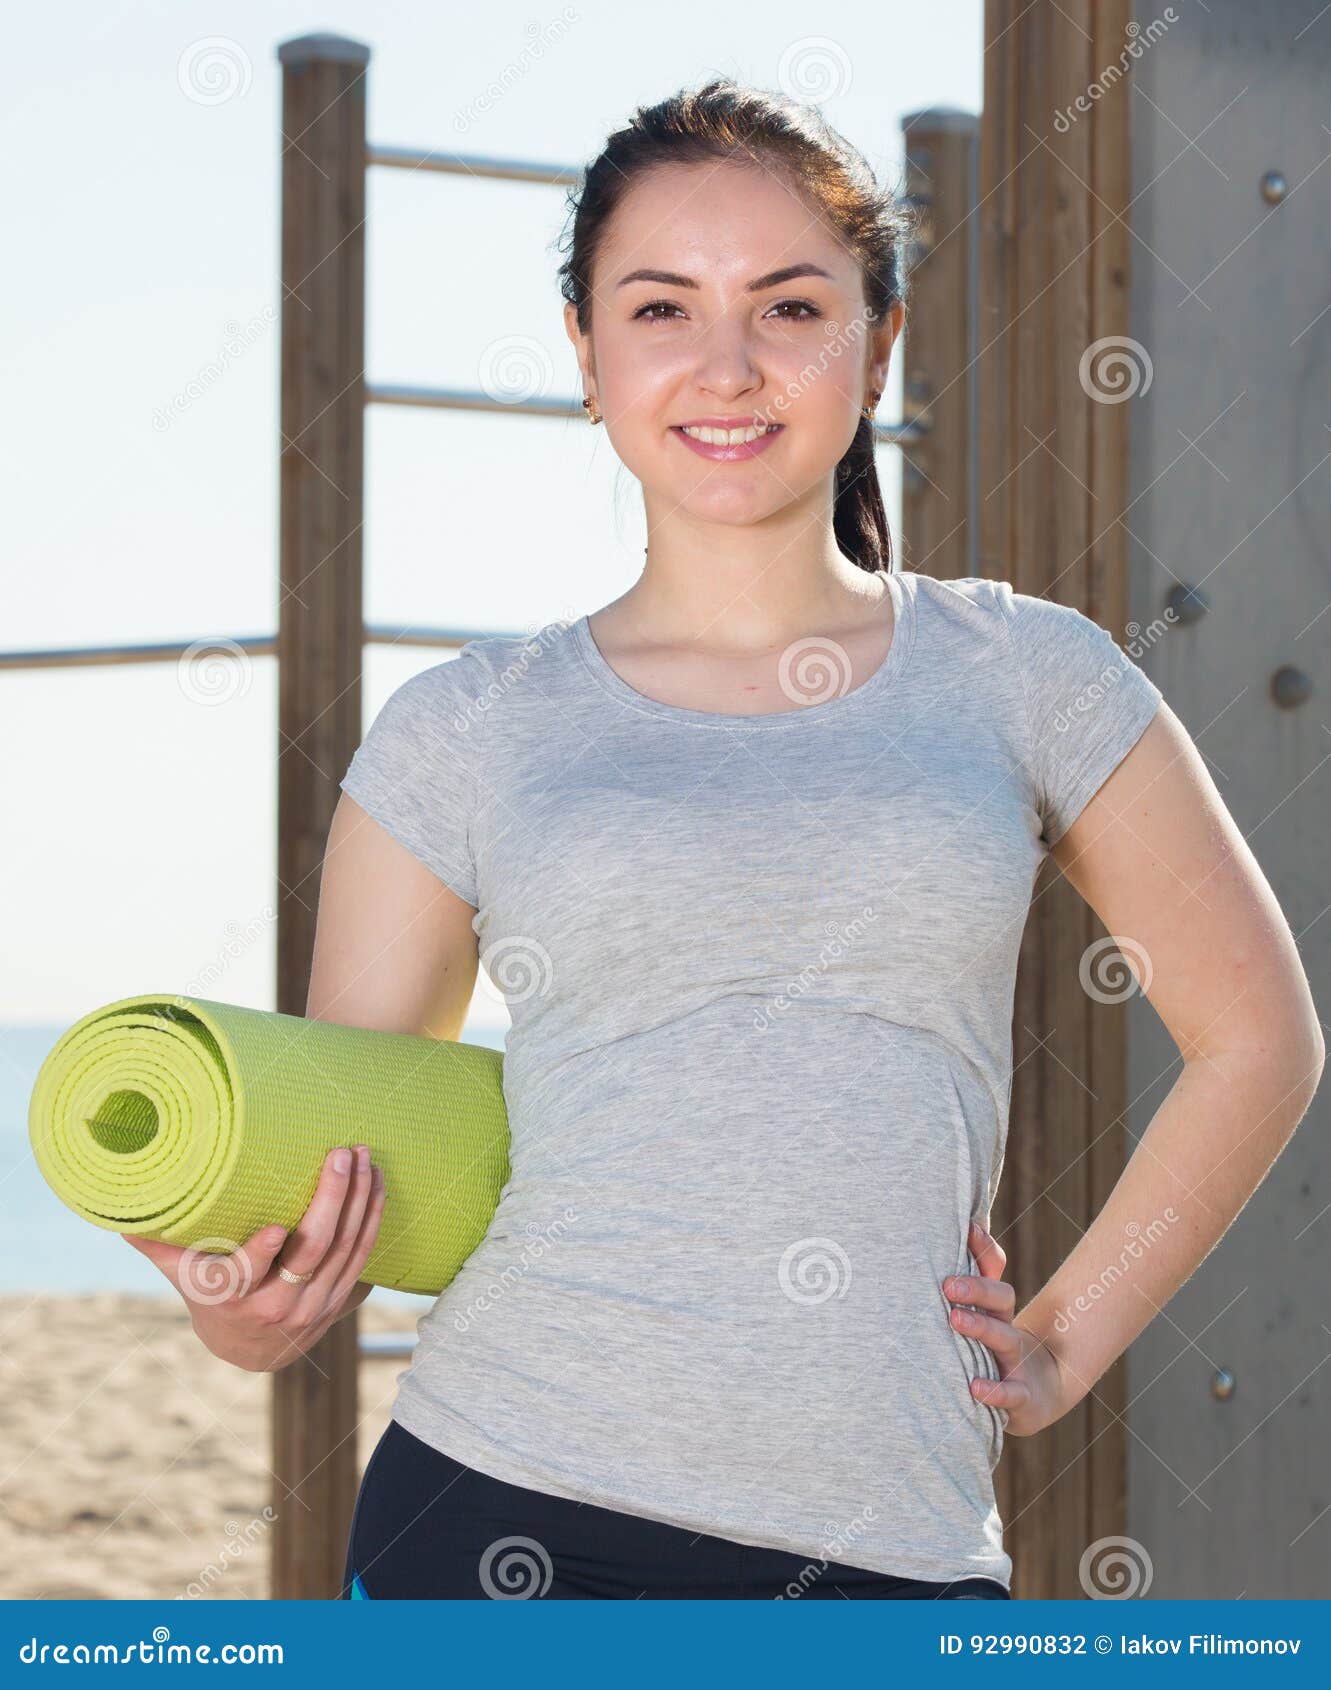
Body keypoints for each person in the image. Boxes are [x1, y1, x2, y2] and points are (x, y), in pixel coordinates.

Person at [128, 79, 1323, 1600]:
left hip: (890, 1542)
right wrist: (252, 1310)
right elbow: (356, 1157)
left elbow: (1259, 1040)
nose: (727, 365)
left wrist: (1068, 1335)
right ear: (584, 351)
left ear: (879, 338)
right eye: (660, 308)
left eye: (791, 305)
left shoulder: (1033, 673)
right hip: (496, 1502)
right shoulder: (464, 727)